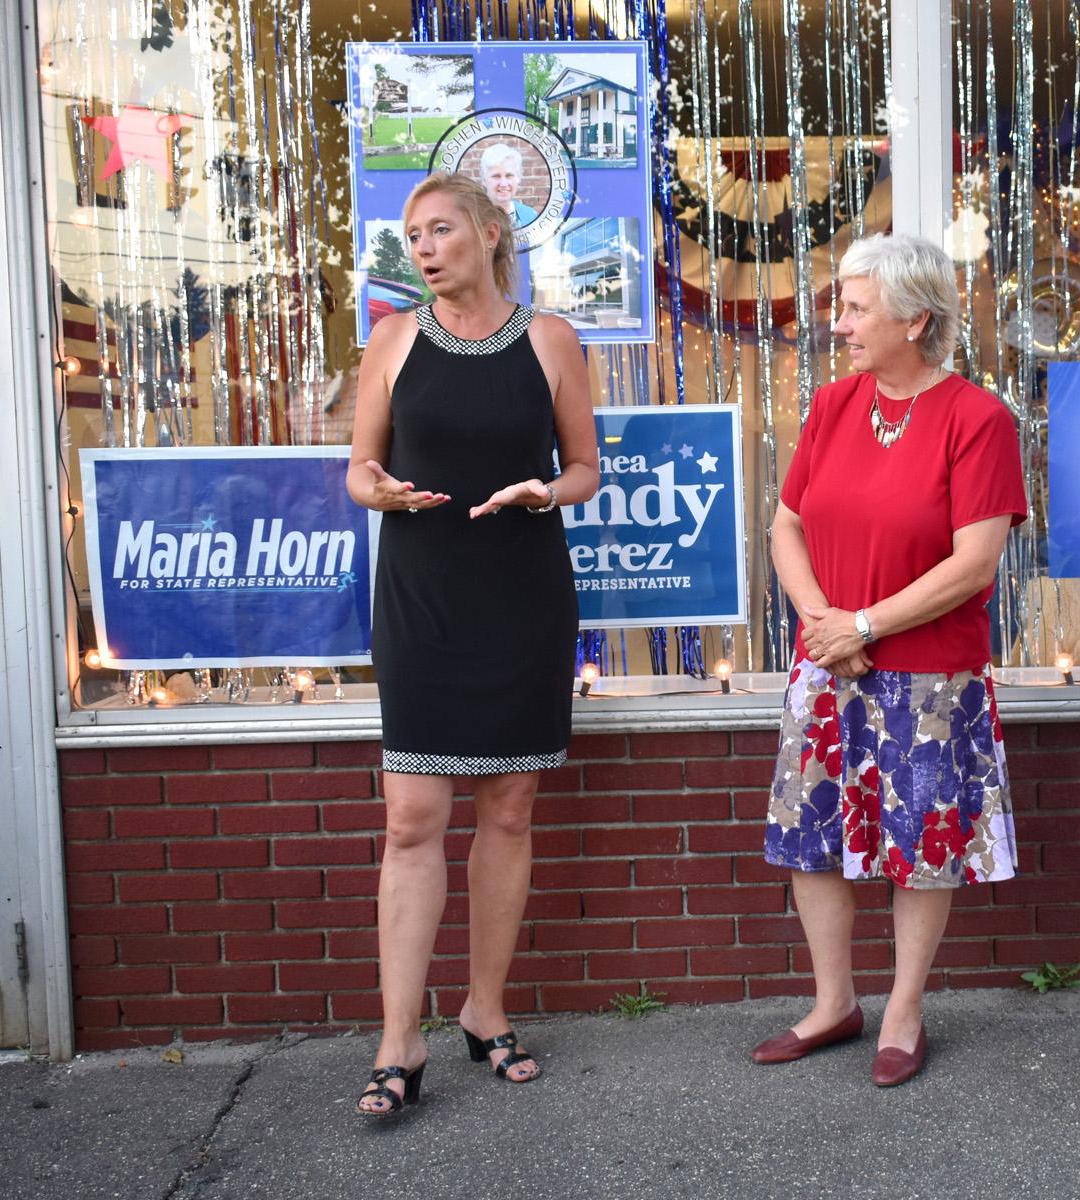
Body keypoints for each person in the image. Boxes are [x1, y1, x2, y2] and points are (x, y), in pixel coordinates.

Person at [346, 173, 598, 1117]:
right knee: (412, 816)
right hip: (422, 596)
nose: (422, 246)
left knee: (510, 810)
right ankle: (397, 1039)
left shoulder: (550, 340)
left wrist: (547, 492)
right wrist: (381, 492)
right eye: (412, 234)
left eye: (440, 228)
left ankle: (484, 1009)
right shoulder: (393, 338)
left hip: (521, 595)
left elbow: (584, 467)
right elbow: (360, 468)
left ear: (491, 235)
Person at [754, 233, 1026, 1087]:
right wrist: (821, 620)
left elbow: (973, 563)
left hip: (932, 676)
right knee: (815, 839)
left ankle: (903, 1008)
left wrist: (862, 623)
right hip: (828, 665)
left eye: (855, 306)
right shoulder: (834, 407)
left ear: (914, 318)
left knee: (921, 843)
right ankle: (834, 1002)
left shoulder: (977, 419)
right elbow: (786, 525)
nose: (838, 323)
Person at [480, 143, 540, 230]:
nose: (503, 184)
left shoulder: (531, 216)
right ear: (484, 180)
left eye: (509, 176)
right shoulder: (472, 218)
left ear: (518, 178)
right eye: (496, 176)